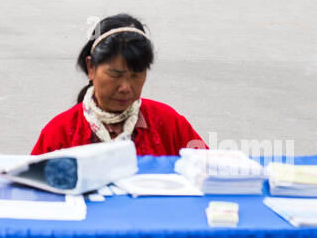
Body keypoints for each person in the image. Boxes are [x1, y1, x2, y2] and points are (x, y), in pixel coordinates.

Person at [32, 14, 206, 156]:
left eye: (136, 75)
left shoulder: (168, 124)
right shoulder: (59, 133)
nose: (125, 88)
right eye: (115, 74)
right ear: (91, 67)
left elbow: (208, 172)